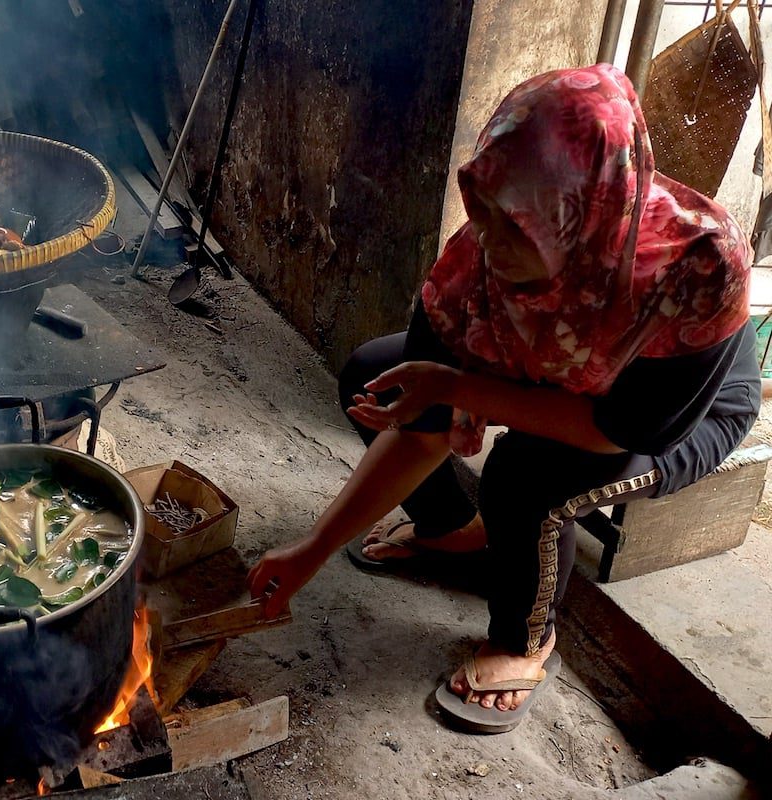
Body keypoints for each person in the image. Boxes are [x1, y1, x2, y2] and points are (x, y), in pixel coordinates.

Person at [246, 63, 759, 733]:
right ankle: (460, 531)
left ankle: (525, 639)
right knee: (375, 374)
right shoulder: (477, 261)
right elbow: (424, 428)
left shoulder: (699, 269)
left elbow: (617, 430)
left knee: (525, 478)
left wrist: (462, 388)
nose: (485, 239)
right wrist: (310, 549)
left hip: (673, 417)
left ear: (584, 213)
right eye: (481, 203)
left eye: (515, 224)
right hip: (555, 372)